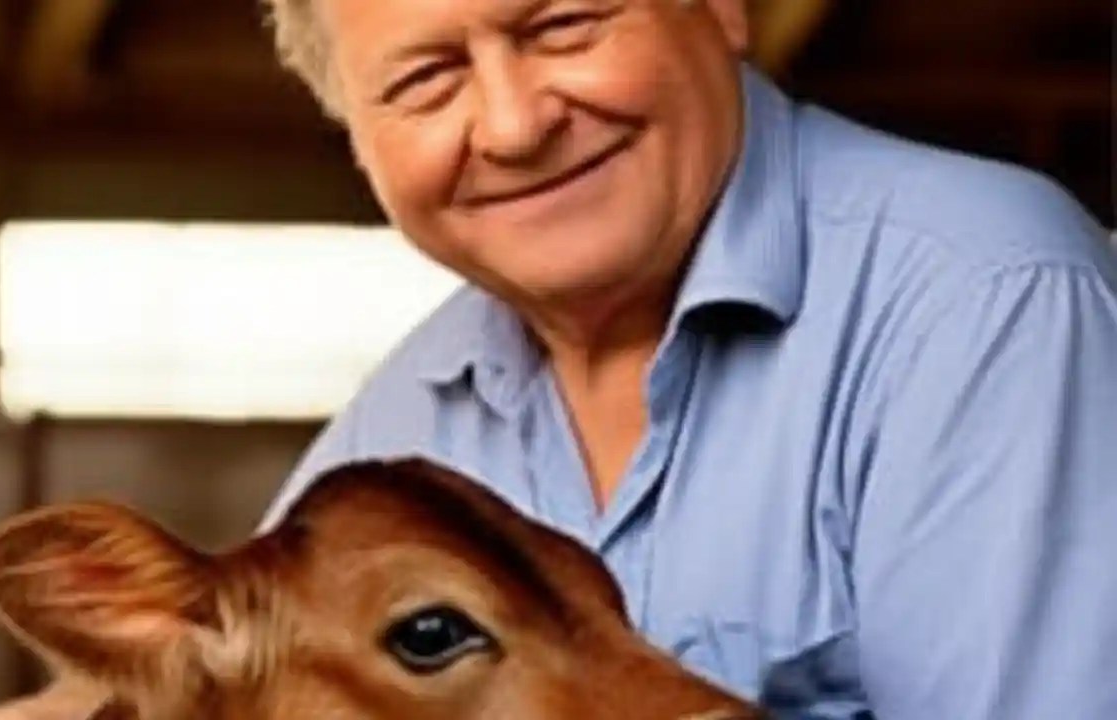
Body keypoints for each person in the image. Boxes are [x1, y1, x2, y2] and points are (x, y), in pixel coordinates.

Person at [256, 0, 1117, 716]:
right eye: (426, 81)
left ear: (722, 9)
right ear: (358, 140)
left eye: (566, 27)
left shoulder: (987, 299)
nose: (516, 127)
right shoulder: (386, 435)